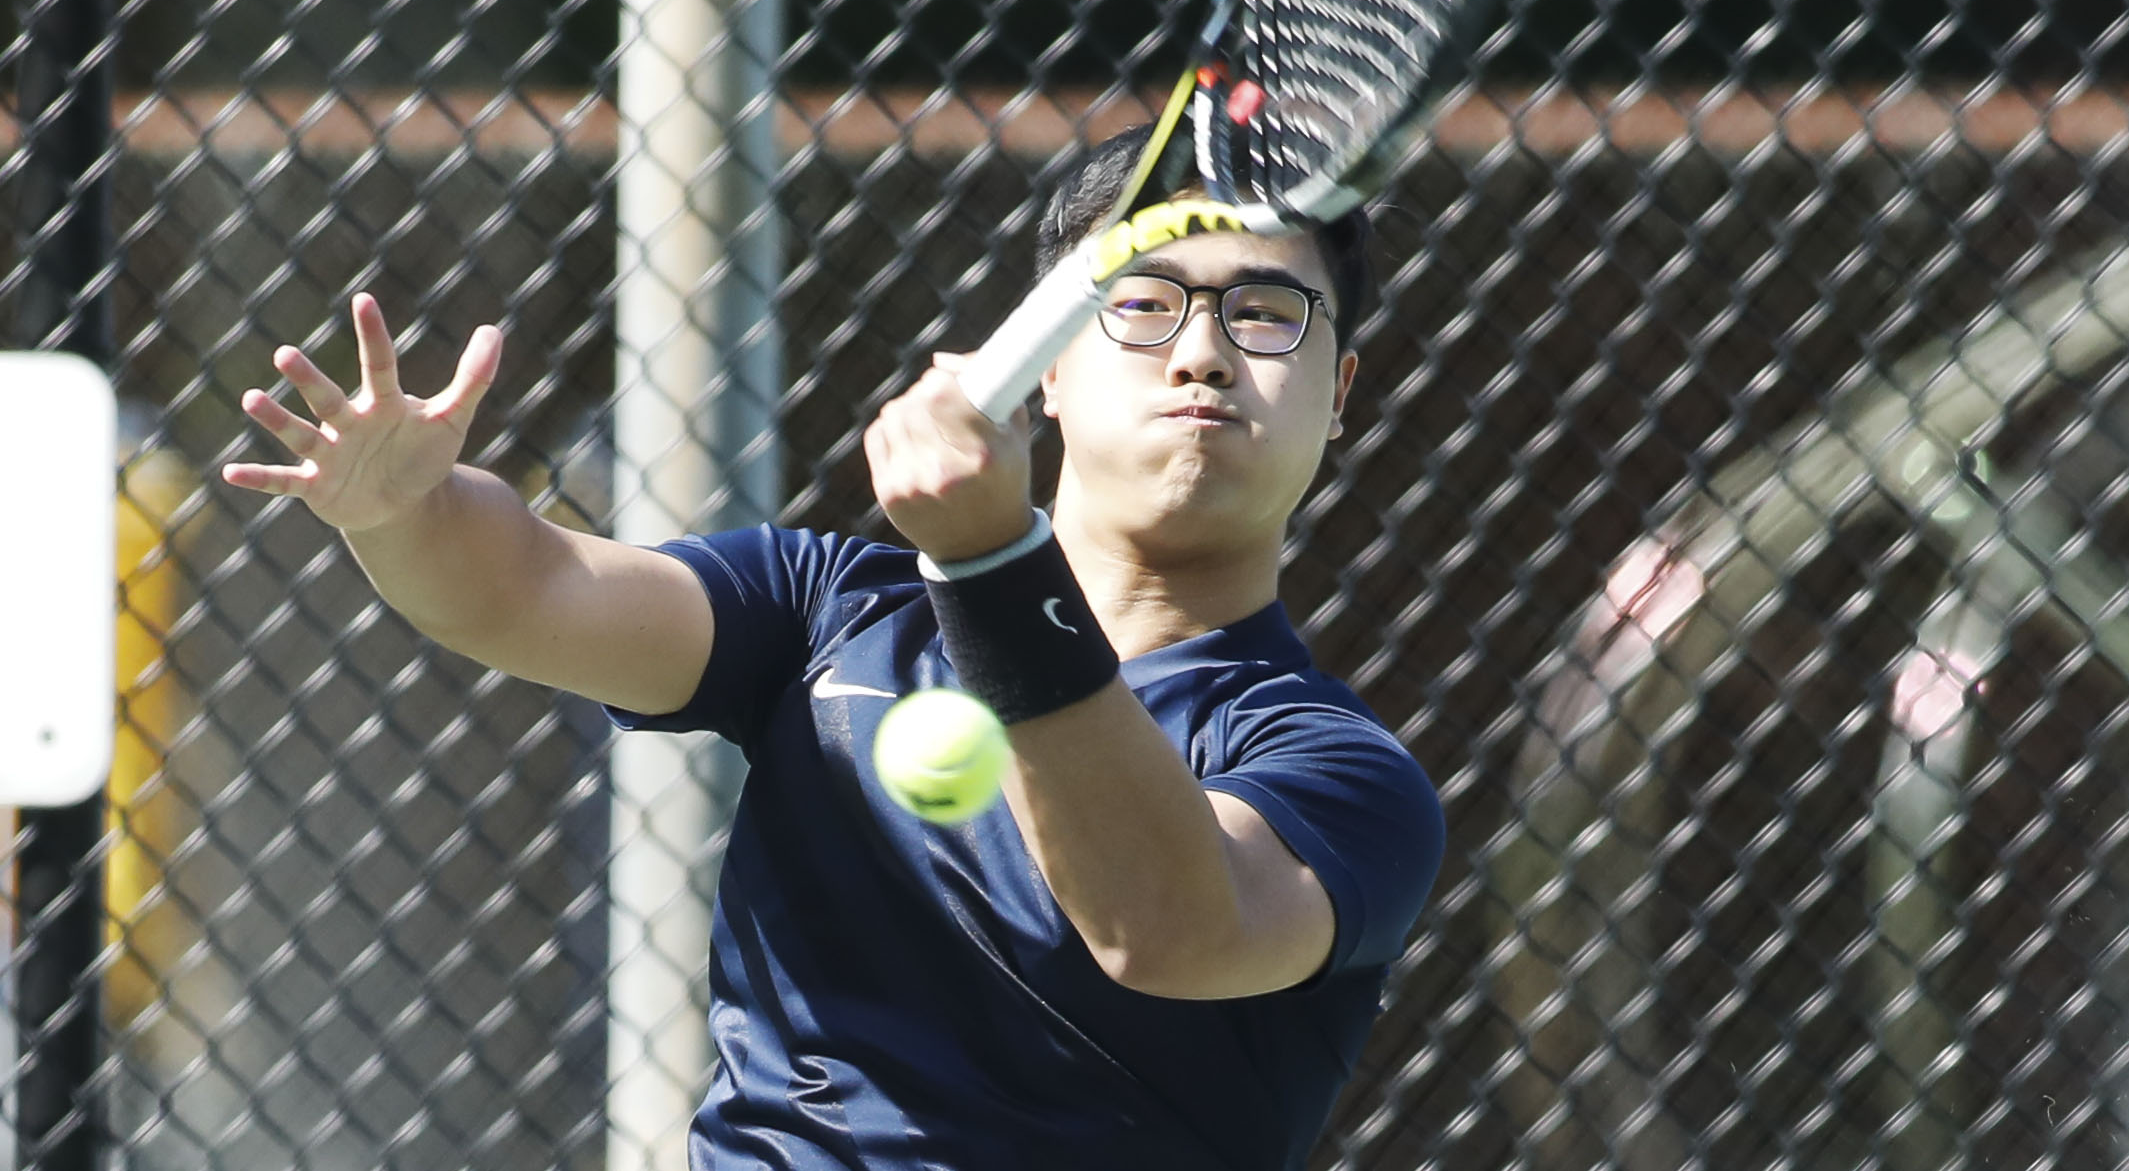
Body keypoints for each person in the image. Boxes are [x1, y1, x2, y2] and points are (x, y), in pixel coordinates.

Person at [222, 124, 1446, 1170]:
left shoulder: (1342, 778)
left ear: (1339, 391)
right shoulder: (823, 610)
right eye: (1141, 300)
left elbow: (1169, 926)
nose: (1202, 351)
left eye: (1266, 311)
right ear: (1053, 367)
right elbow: (528, 587)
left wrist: (993, 570)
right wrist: (404, 510)